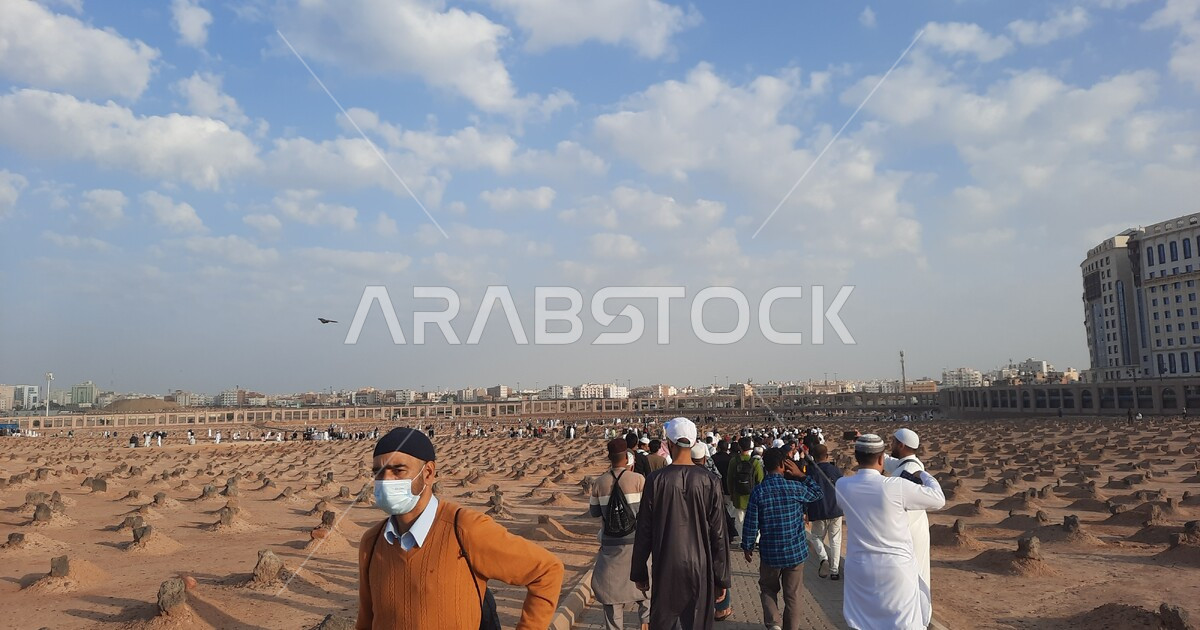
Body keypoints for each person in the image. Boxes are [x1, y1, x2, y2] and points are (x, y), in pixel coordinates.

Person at [357, 428, 564, 630]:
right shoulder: (372, 542)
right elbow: (367, 618)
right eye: (379, 473)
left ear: (428, 473)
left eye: (398, 470)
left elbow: (547, 570)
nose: (386, 481)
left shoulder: (466, 530)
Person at [836, 434, 945, 630]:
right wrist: (923, 474)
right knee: (902, 624)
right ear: (880, 459)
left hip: (859, 569)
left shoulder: (842, 485)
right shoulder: (896, 487)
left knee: (862, 623)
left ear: (856, 457)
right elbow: (938, 499)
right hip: (895, 570)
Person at [631, 417, 730, 630]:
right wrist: (722, 578)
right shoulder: (710, 481)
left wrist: (639, 571)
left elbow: (644, 530)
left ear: (669, 443)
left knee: (665, 622)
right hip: (700, 566)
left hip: (666, 563)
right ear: (694, 444)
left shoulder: (656, 480)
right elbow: (718, 534)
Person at [741, 448, 823, 630]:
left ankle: (773, 624)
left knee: (768, 589)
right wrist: (801, 476)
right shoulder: (795, 488)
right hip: (795, 553)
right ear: (782, 465)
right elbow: (818, 493)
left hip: (770, 553)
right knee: (793, 595)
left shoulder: (758, 491)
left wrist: (747, 545)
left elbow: (751, 523)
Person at [589, 438, 649, 630]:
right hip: (638, 544)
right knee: (645, 592)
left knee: (611, 593)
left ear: (609, 457)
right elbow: (649, 511)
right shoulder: (639, 480)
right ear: (626, 458)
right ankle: (646, 624)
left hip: (611, 547)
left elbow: (594, 512)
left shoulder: (599, 483)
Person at [883, 428, 933, 592]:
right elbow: (887, 461)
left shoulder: (910, 470)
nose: (891, 445)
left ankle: (920, 616)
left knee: (914, 578)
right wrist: (866, 442)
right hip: (906, 531)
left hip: (910, 532)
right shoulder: (905, 463)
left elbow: (901, 500)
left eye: (893, 443)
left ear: (901, 445)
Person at [806, 443, 844, 580]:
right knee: (835, 540)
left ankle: (823, 558)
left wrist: (806, 510)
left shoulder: (810, 471)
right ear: (827, 456)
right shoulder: (834, 470)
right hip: (835, 508)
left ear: (813, 457)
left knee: (816, 537)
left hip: (818, 508)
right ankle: (835, 571)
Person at [726, 437, 764, 538]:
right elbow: (760, 480)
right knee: (754, 518)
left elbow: (729, 479)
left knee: (740, 519)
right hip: (752, 495)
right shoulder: (755, 462)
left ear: (739, 447)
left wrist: (731, 493)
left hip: (738, 495)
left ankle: (742, 539)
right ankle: (755, 539)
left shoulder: (734, 461)